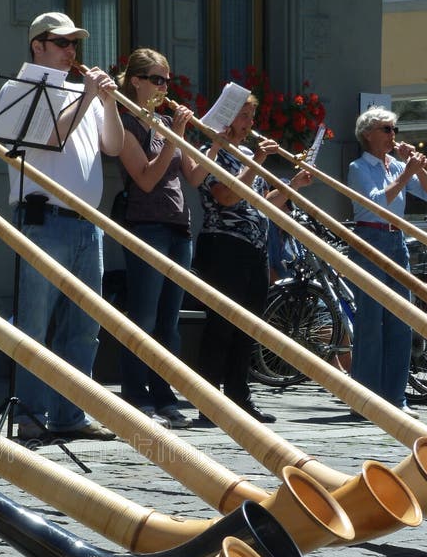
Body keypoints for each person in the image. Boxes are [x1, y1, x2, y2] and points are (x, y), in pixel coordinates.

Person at [0, 12, 122, 442]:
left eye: (75, 45)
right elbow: (49, 140)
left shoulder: (79, 91)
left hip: (87, 225)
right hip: (43, 219)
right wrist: (87, 99)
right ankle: (30, 415)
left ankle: (71, 414)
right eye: (63, 43)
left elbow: (113, 146)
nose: (72, 52)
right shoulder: (19, 90)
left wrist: (108, 102)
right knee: (34, 324)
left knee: (83, 328)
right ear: (38, 45)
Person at [195, 95, 312, 424]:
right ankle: (208, 400)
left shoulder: (247, 156)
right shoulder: (211, 155)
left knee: (249, 326)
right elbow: (229, 197)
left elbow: (261, 203)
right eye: (244, 115)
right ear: (228, 118)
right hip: (224, 245)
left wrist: (291, 186)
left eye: (251, 115)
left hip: (254, 248)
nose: (249, 123)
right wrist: (258, 159)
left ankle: (238, 396)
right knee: (221, 325)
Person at [116, 48, 216, 428]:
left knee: (169, 320)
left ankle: (163, 394)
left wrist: (215, 141)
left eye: (167, 81)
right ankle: (135, 395)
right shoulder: (126, 123)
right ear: (137, 81)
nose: (163, 87)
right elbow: (145, 178)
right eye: (156, 80)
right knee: (142, 316)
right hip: (147, 225)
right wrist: (174, 135)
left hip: (178, 226)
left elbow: (193, 177)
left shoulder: (162, 123)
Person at [348, 106, 427, 416]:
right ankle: (366, 400)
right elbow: (375, 203)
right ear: (368, 134)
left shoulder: (396, 166)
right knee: (371, 322)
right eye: (387, 130)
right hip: (371, 238)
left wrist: (419, 167)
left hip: (395, 240)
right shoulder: (358, 167)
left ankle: (395, 397)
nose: (393, 136)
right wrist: (406, 173)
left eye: (394, 130)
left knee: (401, 319)